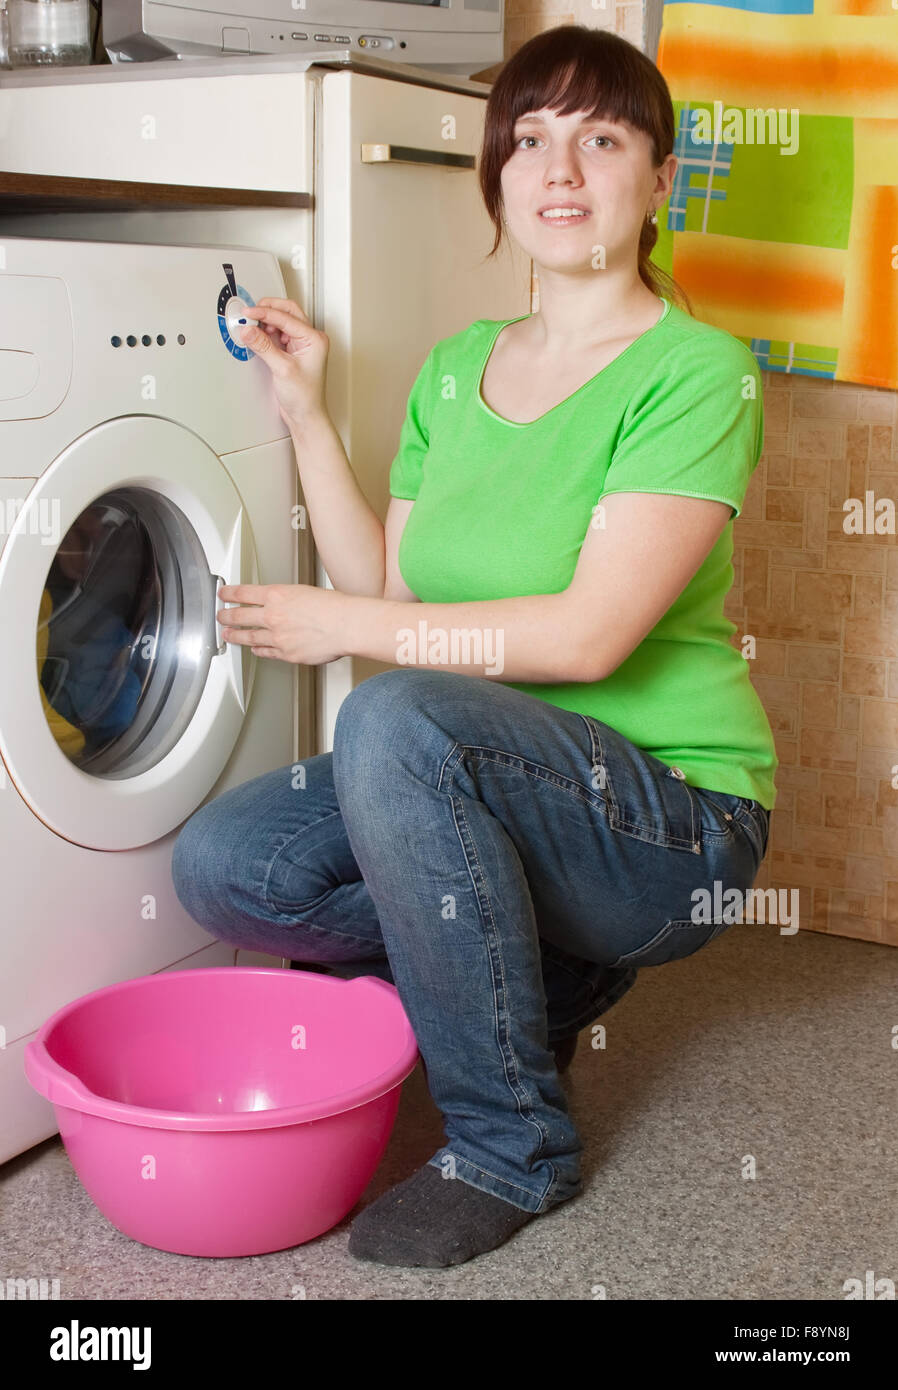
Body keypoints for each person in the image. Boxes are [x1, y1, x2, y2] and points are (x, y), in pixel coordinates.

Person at [171, 23, 777, 1270]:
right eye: (532, 141)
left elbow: (592, 636)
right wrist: (308, 413)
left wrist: (349, 635)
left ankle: (510, 1145)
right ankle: (528, 989)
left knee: (393, 712)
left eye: (601, 139)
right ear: (498, 178)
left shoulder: (697, 373)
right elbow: (386, 583)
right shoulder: (454, 372)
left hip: (669, 816)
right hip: (487, 782)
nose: (561, 170)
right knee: (229, 863)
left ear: (659, 179)